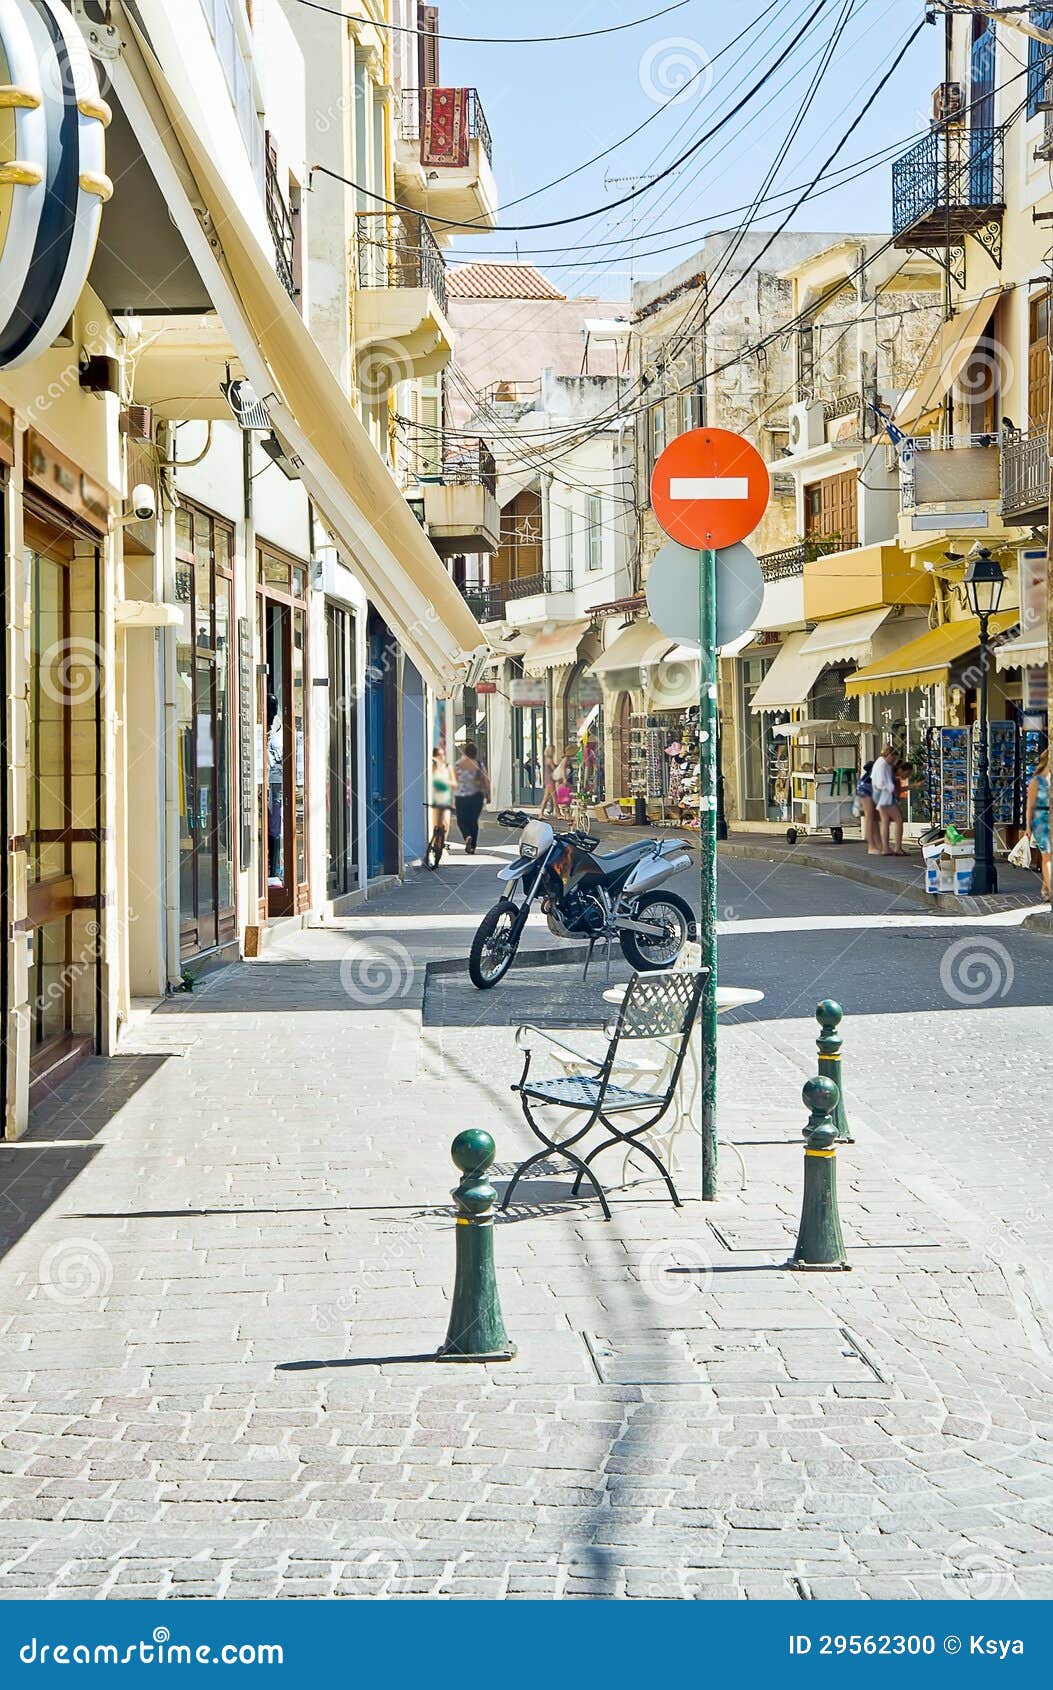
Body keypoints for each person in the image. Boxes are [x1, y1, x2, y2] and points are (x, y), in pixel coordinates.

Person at [453, 740, 490, 854]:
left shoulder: (458, 764)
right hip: (476, 797)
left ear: (464, 752)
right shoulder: (479, 764)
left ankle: (467, 836)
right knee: (473, 821)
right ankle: (473, 846)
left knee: (461, 820)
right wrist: (488, 795)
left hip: (461, 797)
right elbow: (486, 780)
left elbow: (454, 781)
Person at [871, 743, 905, 856]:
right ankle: (897, 847)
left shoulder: (879, 763)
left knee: (885, 821)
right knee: (898, 819)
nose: (894, 762)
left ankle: (885, 848)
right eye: (894, 759)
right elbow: (881, 783)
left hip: (878, 795)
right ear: (889, 755)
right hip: (885, 795)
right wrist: (891, 788)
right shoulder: (883, 765)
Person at [1026, 749, 1051, 899]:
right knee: (1048, 856)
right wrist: (1028, 827)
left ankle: (1046, 886)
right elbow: (1030, 806)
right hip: (1042, 820)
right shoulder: (1037, 781)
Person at [856, 759, 880, 853]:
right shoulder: (881, 766)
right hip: (865, 788)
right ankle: (871, 846)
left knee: (874, 818)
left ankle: (878, 844)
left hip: (867, 787)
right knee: (870, 817)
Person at [430, 746, 452, 845]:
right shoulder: (432, 767)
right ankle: (436, 845)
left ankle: (442, 844)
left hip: (445, 798)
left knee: (446, 823)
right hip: (435, 799)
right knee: (435, 824)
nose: (442, 757)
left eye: (443, 754)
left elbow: (454, 782)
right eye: (440, 755)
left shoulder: (448, 767)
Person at [539, 744, 557, 817]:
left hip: (547, 780)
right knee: (554, 797)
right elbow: (554, 770)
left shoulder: (546, 759)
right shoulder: (550, 760)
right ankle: (558, 813)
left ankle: (541, 813)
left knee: (546, 798)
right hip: (550, 780)